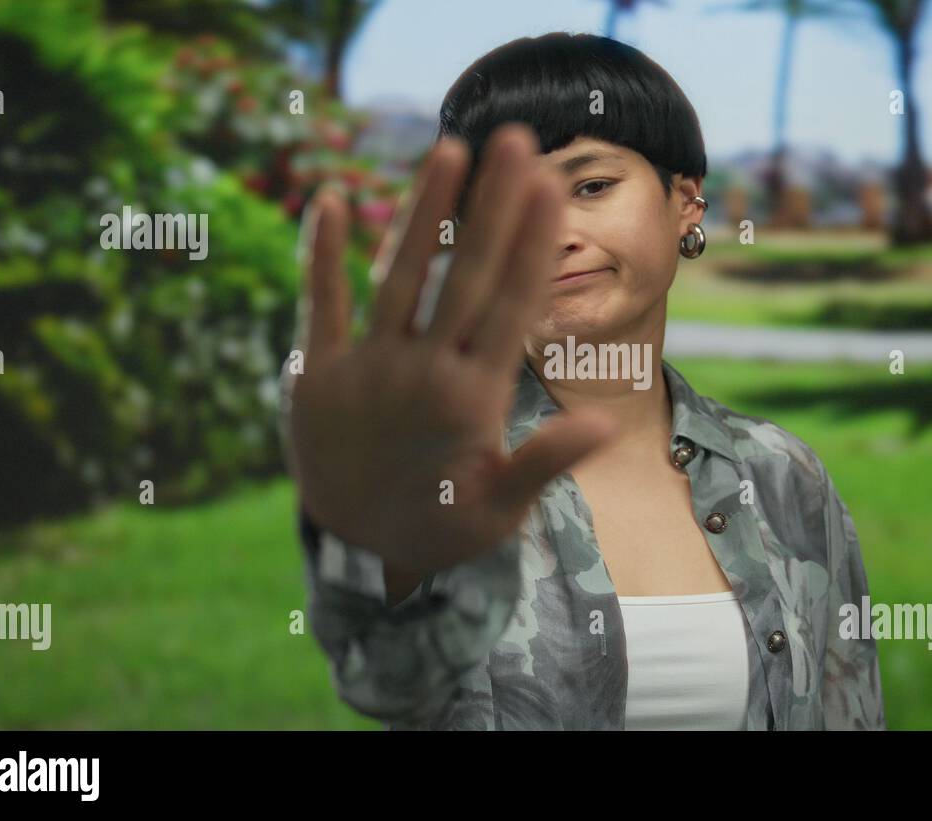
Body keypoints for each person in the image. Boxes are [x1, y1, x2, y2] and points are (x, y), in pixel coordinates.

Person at [281, 32, 885, 730]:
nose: (555, 233)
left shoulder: (786, 475)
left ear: (686, 199)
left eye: (592, 185)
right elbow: (385, 679)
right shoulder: (436, 465)